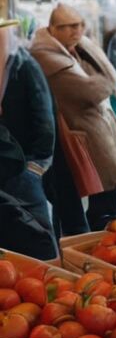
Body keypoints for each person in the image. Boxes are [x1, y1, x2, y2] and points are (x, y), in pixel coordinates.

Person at [30, 4, 116, 230]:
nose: (76, 31)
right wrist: (102, 83)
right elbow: (89, 91)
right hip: (71, 137)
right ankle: (95, 230)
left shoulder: (79, 47)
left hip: (92, 129)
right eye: (68, 27)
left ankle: (101, 225)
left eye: (78, 25)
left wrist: (99, 79)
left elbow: (109, 77)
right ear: (53, 29)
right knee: (77, 195)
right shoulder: (45, 56)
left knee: (99, 190)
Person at [0, 23, 57, 247]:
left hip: (24, 169)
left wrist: (37, 166)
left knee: (39, 237)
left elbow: (45, 119)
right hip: (8, 166)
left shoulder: (23, 66)